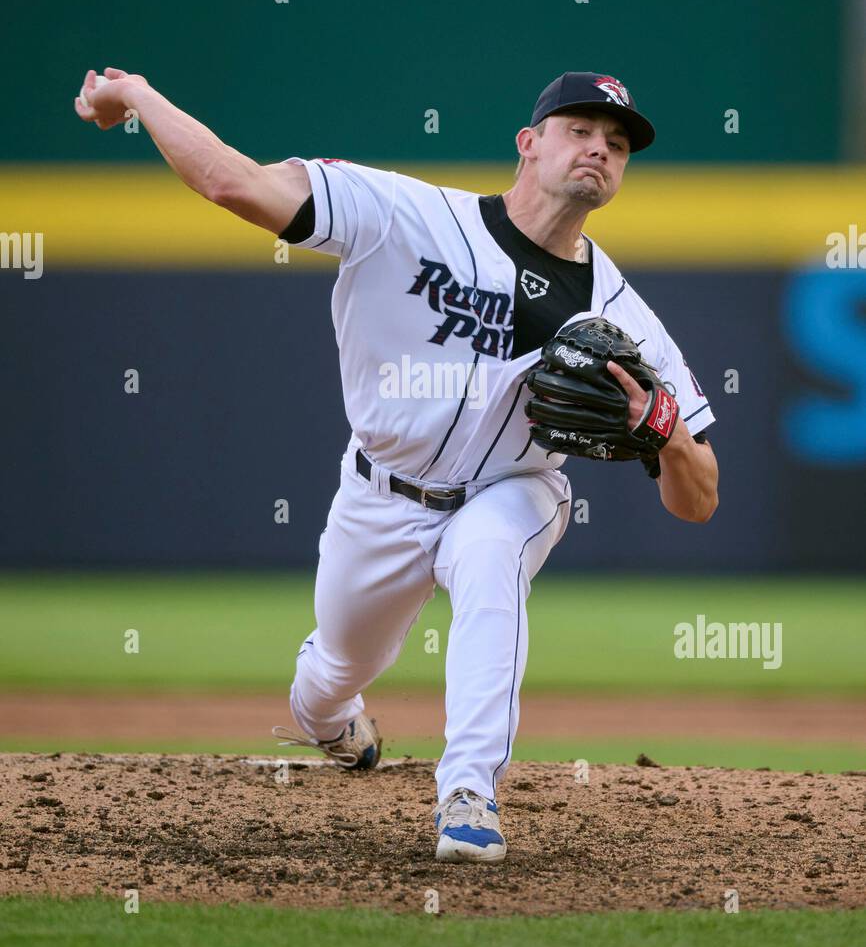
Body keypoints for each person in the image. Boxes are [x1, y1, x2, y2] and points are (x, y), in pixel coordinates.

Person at [75, 67, 719, 864]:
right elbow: (230, 183)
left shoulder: (622, 314)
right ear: (528, 144)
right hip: (379, 496)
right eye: (580, 130)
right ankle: (331, 719)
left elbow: (699, 499)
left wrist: (665, 434)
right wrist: (137, 94)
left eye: (617, 143)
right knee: (333, 667)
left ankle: (469, 792)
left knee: (492, 555)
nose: (599, 149)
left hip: (512, 487)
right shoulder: (406, 215)